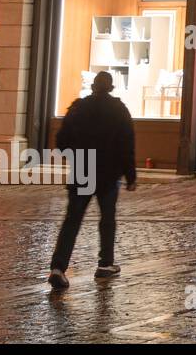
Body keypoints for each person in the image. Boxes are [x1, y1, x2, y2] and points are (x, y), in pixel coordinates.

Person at [48, 72, 137, 290]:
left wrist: (76, 156)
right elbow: (127, 144)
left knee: (72, 220)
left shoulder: (78, 108)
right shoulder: (119, 110)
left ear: (93, 86)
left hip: (82, 170)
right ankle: (105, 263)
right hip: (108, 173)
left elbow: (61, 141)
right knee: (107, 219)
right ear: (111, 87)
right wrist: (130, 175)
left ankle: (58, 267)